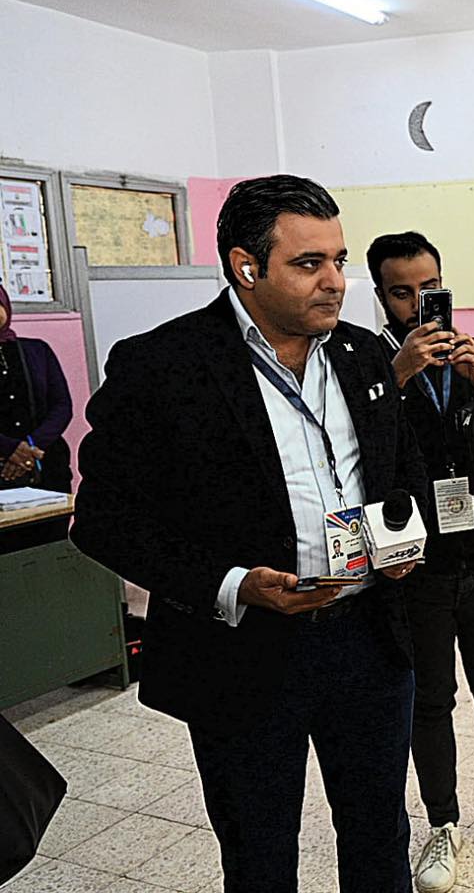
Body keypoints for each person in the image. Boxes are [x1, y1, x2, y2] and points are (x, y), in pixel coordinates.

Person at [70, 175, 429, 892]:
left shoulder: (362, 358)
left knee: (379, 831)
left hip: (368, 639)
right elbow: (104, 520)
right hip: (244, 653)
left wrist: (401, 547)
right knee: (261, 849)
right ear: (245, 267)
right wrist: (232, 585)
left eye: (339, 259)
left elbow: (402, 474)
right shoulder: (164, 367)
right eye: (309, 264)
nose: (336, 282)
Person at [366, 232, 474, 891]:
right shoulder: (367, 365)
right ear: (380, 296)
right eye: (402, 291)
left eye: (429, 288)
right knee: (431, 698)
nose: (418, 304)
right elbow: (356, 453)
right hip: (419, 566)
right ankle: (442, 823)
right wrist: (397, 379)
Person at [0, 283, 72, 493]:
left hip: (47, 466)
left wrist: (30, 447)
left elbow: (62, 406)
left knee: (53, 524)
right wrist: (10, 449)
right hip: (2, 470)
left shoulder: (37, 350)